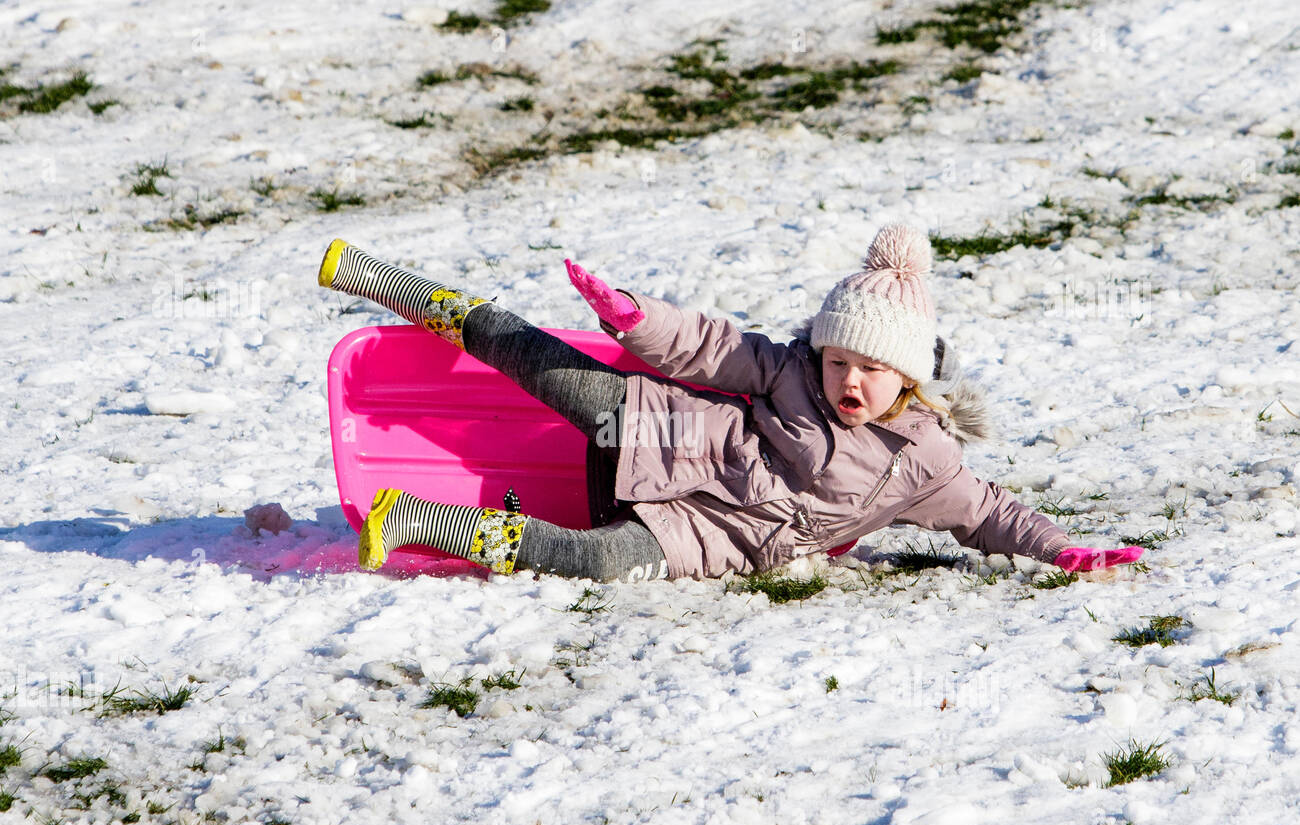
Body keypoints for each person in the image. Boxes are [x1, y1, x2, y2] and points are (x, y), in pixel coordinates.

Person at [316, 223, 1142, 582]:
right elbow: (711, 348)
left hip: (705, 535)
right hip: (658, 436)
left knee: (594, 563)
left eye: (871, 371)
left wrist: (1063, 550)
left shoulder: (924, 462)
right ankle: (383, 279)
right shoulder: (789, 369)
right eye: (839, 360)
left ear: (908, 378)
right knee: (537, 362)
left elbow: (993, 515)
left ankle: (417, 519)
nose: (849, 382)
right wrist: (636, 319)